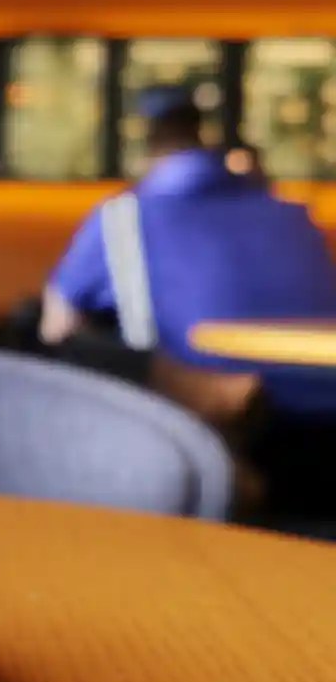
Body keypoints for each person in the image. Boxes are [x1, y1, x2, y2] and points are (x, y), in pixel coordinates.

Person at [41, 85, 336, 513]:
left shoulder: (125, 215)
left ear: (145, 144)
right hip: (323, 420)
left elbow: (56, 325)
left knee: (85, 352)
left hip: (229, 440)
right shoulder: (292, 212)